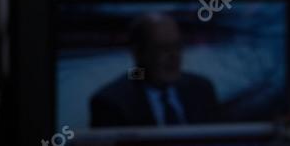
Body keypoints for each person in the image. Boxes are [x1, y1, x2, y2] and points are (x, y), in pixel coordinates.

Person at [90, 12, 220, 127]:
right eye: (163, 48)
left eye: (177, 46)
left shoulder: (202, 89)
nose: (174, 57)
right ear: (138, 53)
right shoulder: (111, 102)